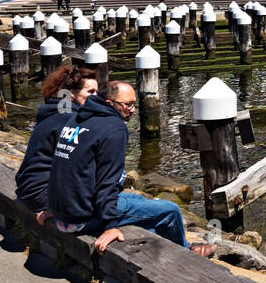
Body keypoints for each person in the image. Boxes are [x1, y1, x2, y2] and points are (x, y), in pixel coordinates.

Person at [48, 81, 213, 256]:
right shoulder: (114, 128)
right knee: (170, 211)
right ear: (110, 104)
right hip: (82, 218)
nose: (133, 110)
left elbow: (60, 167)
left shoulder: (76, 118)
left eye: (134, 104)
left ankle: (167, 245)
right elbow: (107, 183)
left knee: (142, 202)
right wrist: (110, 227)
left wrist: (53, 206)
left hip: (62, 213)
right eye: (128, 105)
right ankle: (186, 256)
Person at [15, 66, 99, 223]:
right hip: (42, 194)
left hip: (29, 189)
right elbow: (80, 167)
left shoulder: (54, 113)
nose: (96, 96)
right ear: (71, 94)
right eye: (90, 92)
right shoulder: (70, 120)